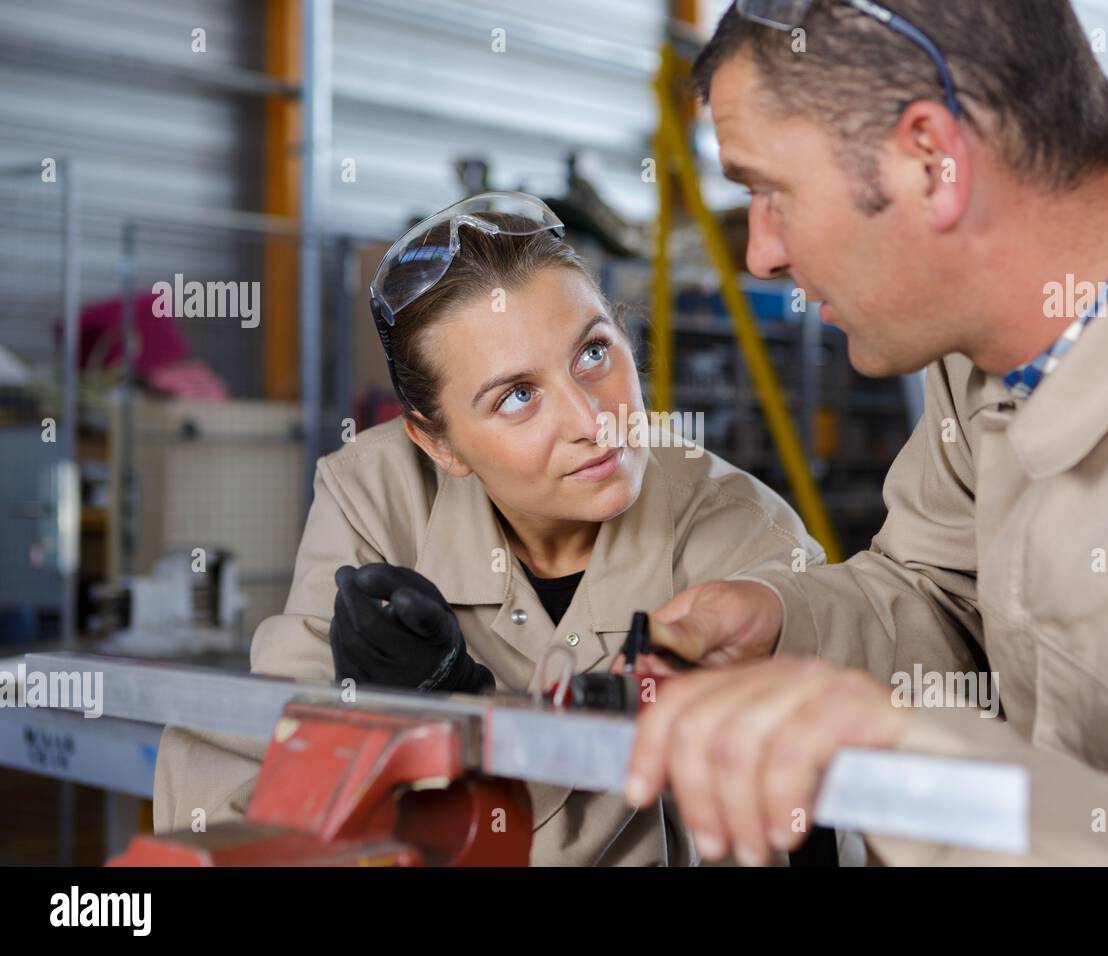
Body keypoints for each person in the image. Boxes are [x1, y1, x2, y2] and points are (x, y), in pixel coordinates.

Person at [625, 0, 1108, 866]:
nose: (760, 254)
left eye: (769, 192)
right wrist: (789, 627)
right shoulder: (986, 333)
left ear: (933, 161)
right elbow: (948, 593)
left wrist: (928, 775)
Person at [150, 191, 864, 866]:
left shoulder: (741, 532)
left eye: (594, 352)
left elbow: (782, 829)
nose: (593, 421)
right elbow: (267, 748)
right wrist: (364, 710)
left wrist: (455, 709)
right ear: (439, 445)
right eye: (518, 396)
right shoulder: (376, 489)